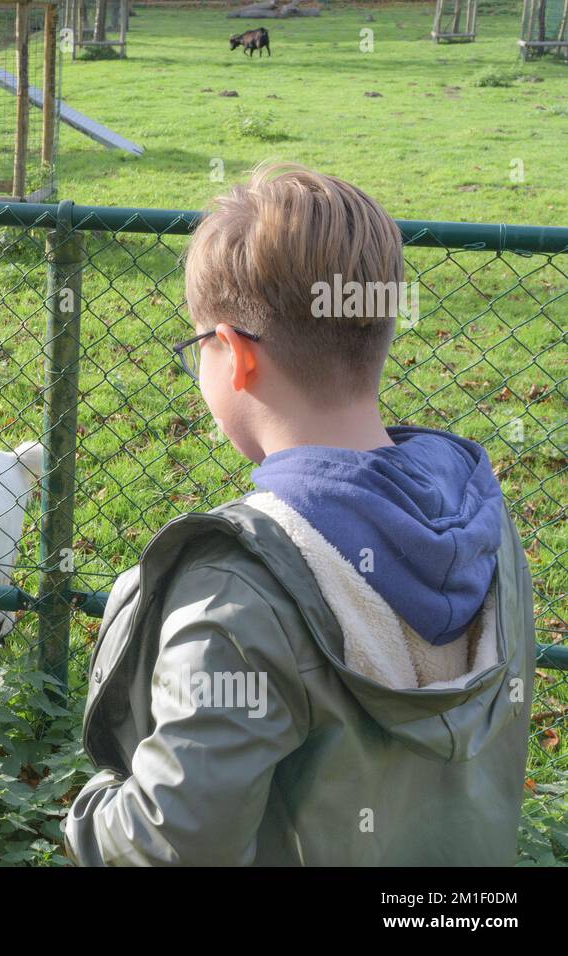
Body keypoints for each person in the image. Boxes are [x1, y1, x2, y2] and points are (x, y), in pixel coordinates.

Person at [64, 163, 535, 866]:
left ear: (238, 356)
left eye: (199, 348)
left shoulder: (237, 586)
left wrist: (90, 813)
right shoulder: (488, 523)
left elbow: (175, 843)